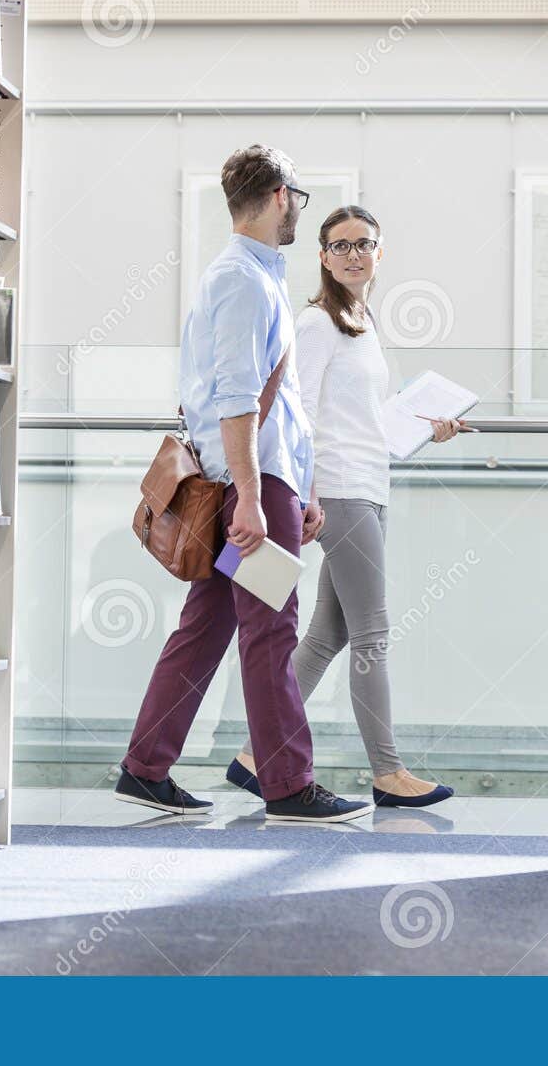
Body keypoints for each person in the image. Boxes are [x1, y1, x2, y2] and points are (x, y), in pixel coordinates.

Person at [116, 147, 373, 824]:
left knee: (207, 627)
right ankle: (288, 784)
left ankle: (145, 766)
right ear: (282, 196)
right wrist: (257, 500)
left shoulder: (254, 277)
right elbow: (236, 400)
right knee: (272, 630)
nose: (298, 213)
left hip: (257, 480)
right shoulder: (243, 281)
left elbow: (279, 403)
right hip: (249, 485)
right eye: (299, 202)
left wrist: (303, 488)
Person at [227, 205, 460, 809]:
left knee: (328, 635)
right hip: (338, 489)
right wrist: (305, 492)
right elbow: (294, 411)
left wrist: (427, 429)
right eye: (340, 245)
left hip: (370, 484)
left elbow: (367, 419)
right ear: (323, 257)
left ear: (380, 252)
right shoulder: (316, 324)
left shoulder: (362, 322)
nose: (353, 254)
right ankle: (388, 773)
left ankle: (254, 756)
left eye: (363, 244)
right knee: (372, 635)